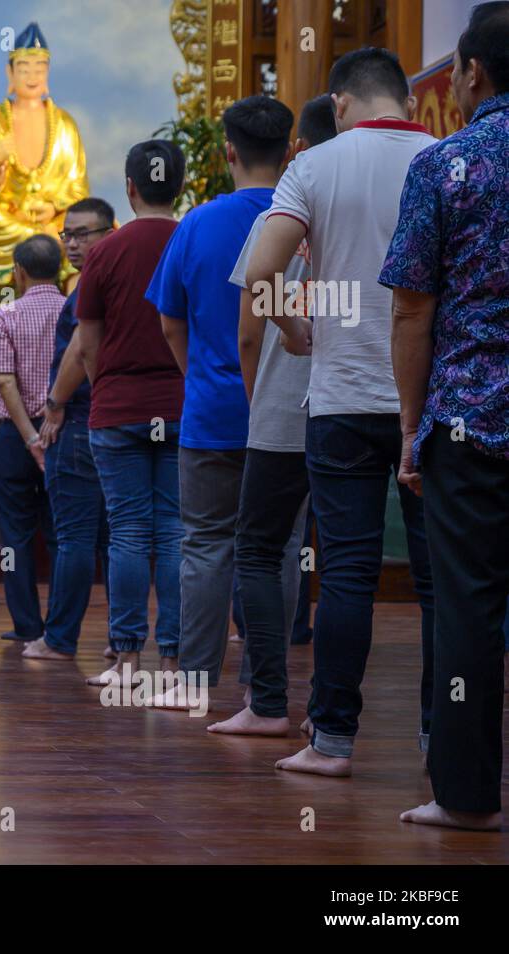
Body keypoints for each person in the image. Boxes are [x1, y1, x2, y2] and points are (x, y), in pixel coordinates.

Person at [245, 47, 436, 776]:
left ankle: (330, 741)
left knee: (348, 570)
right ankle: (438, 738)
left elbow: (263, 276)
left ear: (341, 103)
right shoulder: (448, 158)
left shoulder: (316, 166)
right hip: (432, 401)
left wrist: (299, 333)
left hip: (342, 400)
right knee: (440, 578)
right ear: (409, 103)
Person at [383, 2, 509, 829]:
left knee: (467, 607)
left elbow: (412, 313)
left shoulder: (446, 164)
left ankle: (466, 797)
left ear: (470, 74)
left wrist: (409, 425)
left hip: (469, 420)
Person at [146, 95, 295, 706]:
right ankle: (266, 682)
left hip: (210, 412)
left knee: (205, 543)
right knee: (283, 546)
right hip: (287, 413)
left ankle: (193, 680)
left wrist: (202, 377)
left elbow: (170, 322)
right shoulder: (302, 218)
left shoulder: (199, 224)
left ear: (227, 150)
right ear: (290, 151)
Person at [206, 94, 336, 736]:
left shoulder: (285, 213)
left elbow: (251, 330)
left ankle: (266, 703)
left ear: (300, 151)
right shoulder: (385, 208)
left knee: (258, 549)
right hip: (362, 402)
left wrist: (258, 402)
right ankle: (333, 721)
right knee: (341, 558)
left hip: (284, 407)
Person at [75, 140, 185, 685]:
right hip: (182, 407)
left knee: (127, 533)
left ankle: (126, 661)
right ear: (180, 186)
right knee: (173, 530)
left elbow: (88, 342)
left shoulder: (104, 252)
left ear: (130, 189)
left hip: (118, 408)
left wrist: (106, 390)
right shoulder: (193, 236)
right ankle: (171, 662)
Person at [32, 197, 117, 660]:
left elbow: (81, 350)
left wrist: (54, 404)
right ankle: (120, 639)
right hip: (114, 423)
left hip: (82, 419)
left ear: (110, 232)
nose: (73, 244)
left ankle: (59, 638)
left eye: (84, 234)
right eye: (67, 235)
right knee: (116, 537)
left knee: (76, 536)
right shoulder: (106, 283)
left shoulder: (90, 289)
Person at [0, 234, 67, 645]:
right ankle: (60, 629)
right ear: (61, 268)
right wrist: (53, 424)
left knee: (15, 535)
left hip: (17, 437)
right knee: (63, 532)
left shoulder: (6, 315)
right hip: (65, 431)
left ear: (18, 271)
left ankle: (27, 625)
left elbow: (4, 380)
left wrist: (30, 436)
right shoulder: (75, 311)